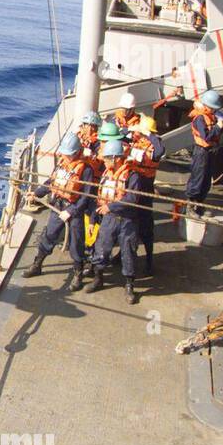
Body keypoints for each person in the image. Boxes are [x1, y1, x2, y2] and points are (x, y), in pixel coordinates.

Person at [25, 133, 96, 290]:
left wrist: (71, 211)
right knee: (49, 235)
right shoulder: (62, 164)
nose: (66, 156)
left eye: (68, 154)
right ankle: (37, 264)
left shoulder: (86, 170)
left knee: (76, 243)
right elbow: (51, 182)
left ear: (77, 152)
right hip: (57, 206)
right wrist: (36, 193)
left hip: (74, 211)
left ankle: (78, 274)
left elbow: (86, 197)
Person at [86, 139, 144, 304]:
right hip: (109, 219)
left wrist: (111, 207)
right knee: (101, 248)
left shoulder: (132, 176)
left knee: (128, 251)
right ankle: (98, 278)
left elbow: (132, 198)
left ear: (116, 158)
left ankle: (129, 285)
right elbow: (99, 199)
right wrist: (92, 221)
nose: (103, 161)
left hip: (127, 220)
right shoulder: (106, 175)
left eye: (106, 158)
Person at [128, 114, 166, 275]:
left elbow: (159, 151)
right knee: (130, 223)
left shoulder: (154, 146)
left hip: (145, 187)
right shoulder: (136, 142)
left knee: (145, 225)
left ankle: (149, 259)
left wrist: (150, 134)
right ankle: (128, 254)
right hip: (133, 186)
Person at [185, 89, 223, 214]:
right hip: (201, 151)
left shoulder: (211, 117)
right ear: (207, 106)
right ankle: (191, 204)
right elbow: (206, 136)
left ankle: (199, 203)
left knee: (206, 179)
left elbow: (215, 135)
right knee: (198, 177)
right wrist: (218, 127)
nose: (215, 110)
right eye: (213, 108)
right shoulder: (200, 118)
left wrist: (221, 126)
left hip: (209, 151)